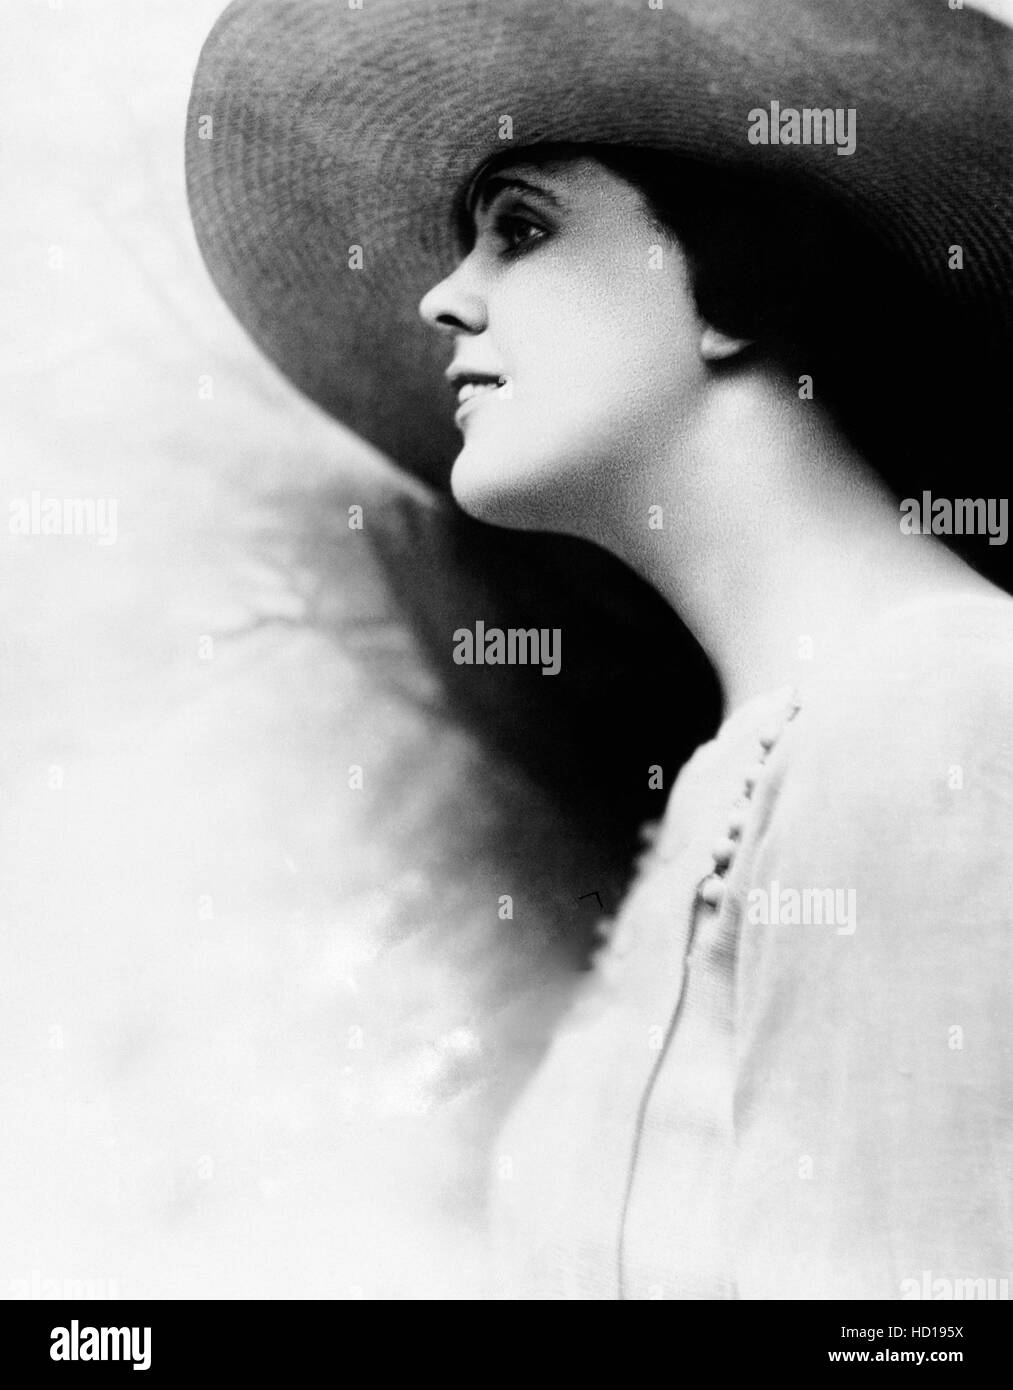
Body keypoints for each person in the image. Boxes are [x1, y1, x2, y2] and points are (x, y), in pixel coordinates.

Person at [186, 0, 1013, 1298]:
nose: (441, 298)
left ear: (731, 285)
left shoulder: (934, 706)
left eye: (520, 227)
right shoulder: (749, 761)